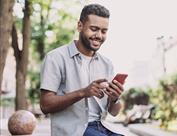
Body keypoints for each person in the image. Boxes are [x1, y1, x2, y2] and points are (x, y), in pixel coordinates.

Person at [40, 4, 124, 136]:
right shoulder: (55, 58)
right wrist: (83, 92)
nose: (99, 35)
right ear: (80, 26)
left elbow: (114, 112)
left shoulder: (107, 64)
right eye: (94, 29)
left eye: (104, 31)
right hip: (74, 130)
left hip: (102, 127)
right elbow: (45, 105)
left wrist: (115, 99)